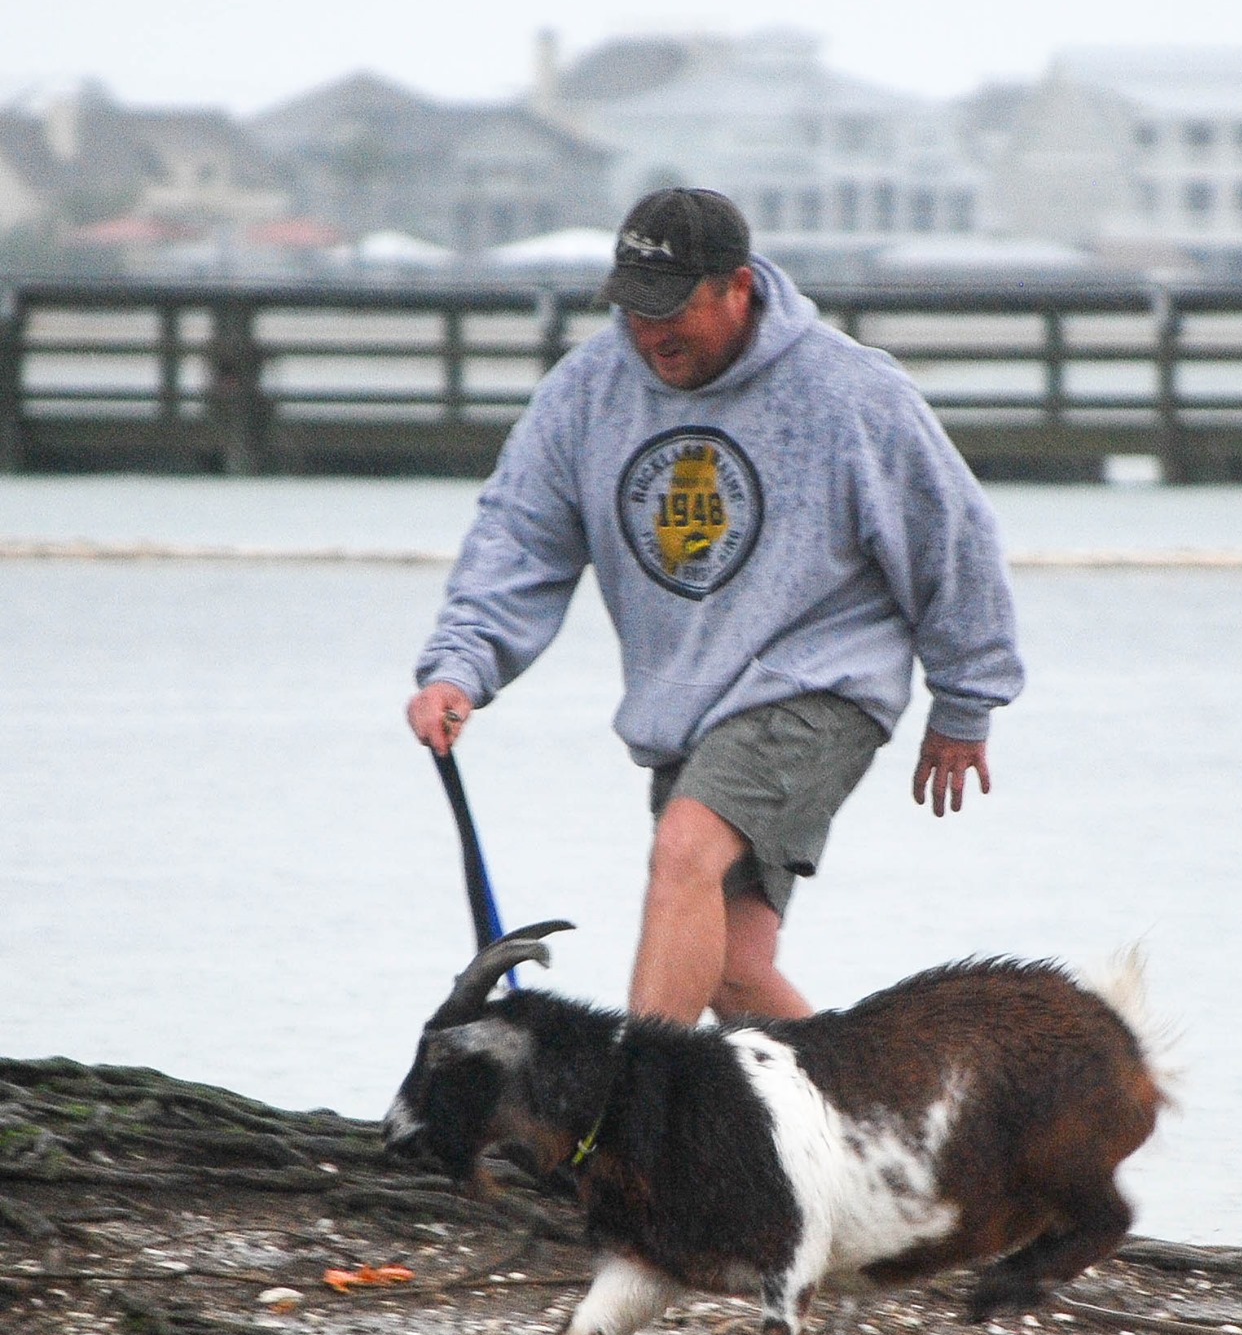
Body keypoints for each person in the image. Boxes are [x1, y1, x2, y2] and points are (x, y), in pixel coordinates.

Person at [405, 188, 1023, 1027]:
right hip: (690, 704)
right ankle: (861, 1106)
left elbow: (952, 534)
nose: (650, 333)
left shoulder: (847, 391)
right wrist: (459, 669)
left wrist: (965, 698)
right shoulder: (587, 393)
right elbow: (518, 537)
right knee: (731, 970)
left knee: (685, 851)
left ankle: (630, 1097)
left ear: (738, 286)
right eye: (633, 310)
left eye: (671, 310)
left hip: (818, 681)